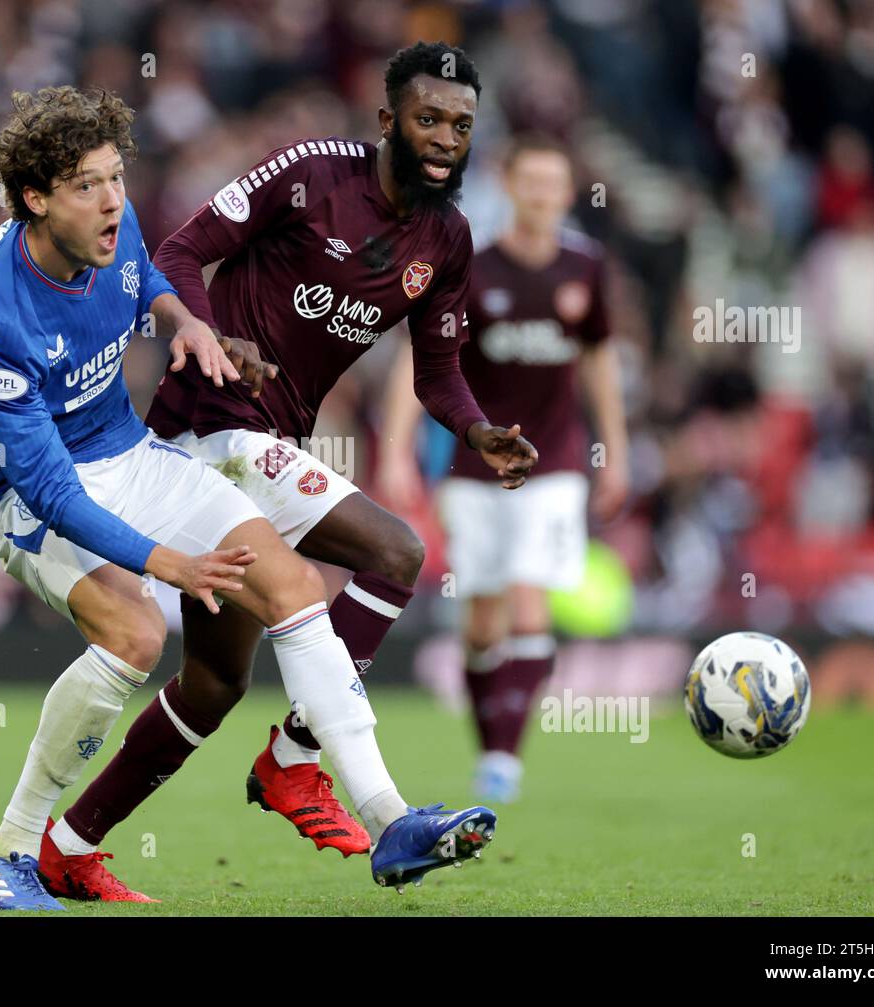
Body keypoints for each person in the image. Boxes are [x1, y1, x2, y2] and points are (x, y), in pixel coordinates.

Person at [0, 85, 495, 910]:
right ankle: (9, 849)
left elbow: (146, 283)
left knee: (293, 586)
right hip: (21, 494)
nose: (111, 201)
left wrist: (188, 324)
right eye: (87, 186)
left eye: (114, 178)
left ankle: (389, 818)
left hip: (129, 451)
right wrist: (167, 562)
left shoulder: (109, 225)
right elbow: (53, 491)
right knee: (135, 629)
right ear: (33, 199)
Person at [55, 42, 536, 874]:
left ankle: (66, 846)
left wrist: (478, 429)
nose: (445, 138)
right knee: (395, 551)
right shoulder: (311, 174)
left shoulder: (447, 238)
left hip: (270, 445)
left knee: (211, 688)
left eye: (460, 124)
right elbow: (173, 253)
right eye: (427, 119)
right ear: (387, 120)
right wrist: (207, 335)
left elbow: (440, 373)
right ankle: (319, 770)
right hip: (208, 428)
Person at [377, 135, 629, 803]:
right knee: (482, 620)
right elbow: (420, 361)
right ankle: (492, 746)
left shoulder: (586, 267)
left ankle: (506, 763)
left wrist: (617, 451)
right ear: (511, 186)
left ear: (568, 193)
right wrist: (398, 448)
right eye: (532, 181)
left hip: (556, 463)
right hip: (472, 464)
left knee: (527, 594)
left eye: (555, 182)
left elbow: (600, 361)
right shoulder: (472, 268)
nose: (543, 194)